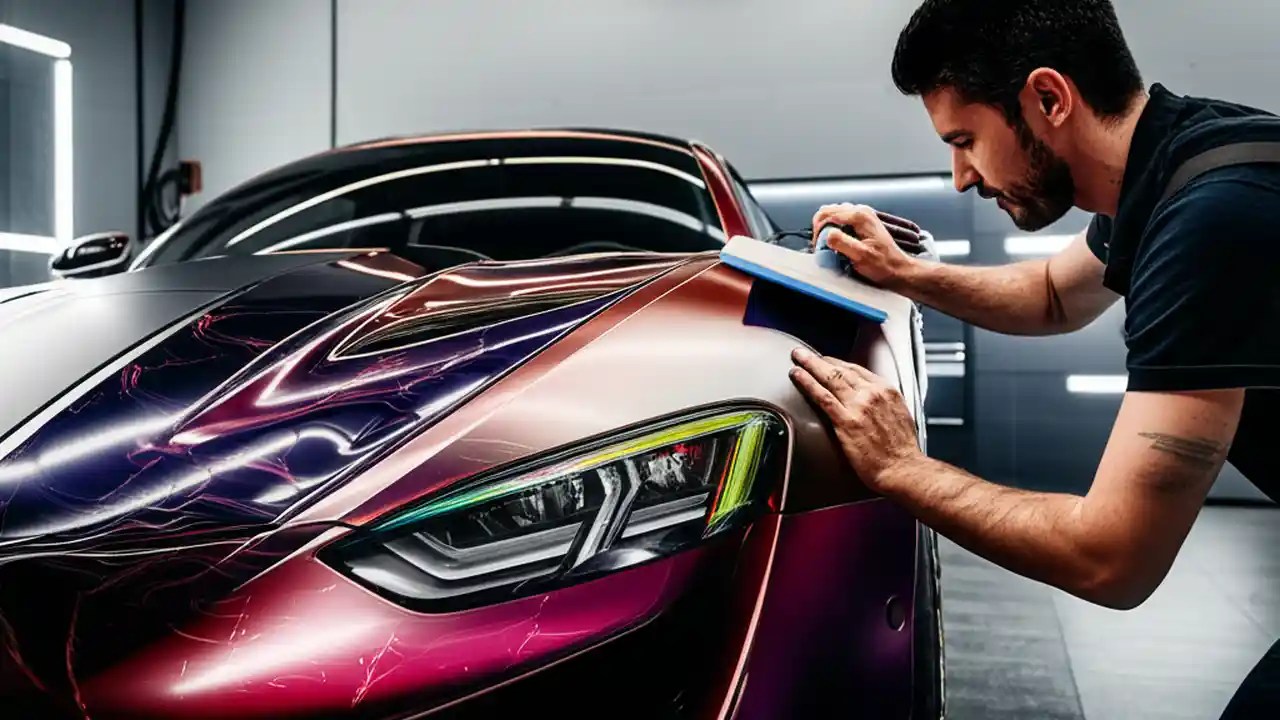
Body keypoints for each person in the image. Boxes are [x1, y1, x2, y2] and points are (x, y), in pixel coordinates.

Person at [786, 1, 1280, 716]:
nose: (960, 177)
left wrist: (900, 467)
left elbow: (1112, 558)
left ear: (1049, 98)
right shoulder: (1179, 159)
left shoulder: (1211, 221)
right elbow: (1052, 294)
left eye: (966, 140)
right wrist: (903, 273)